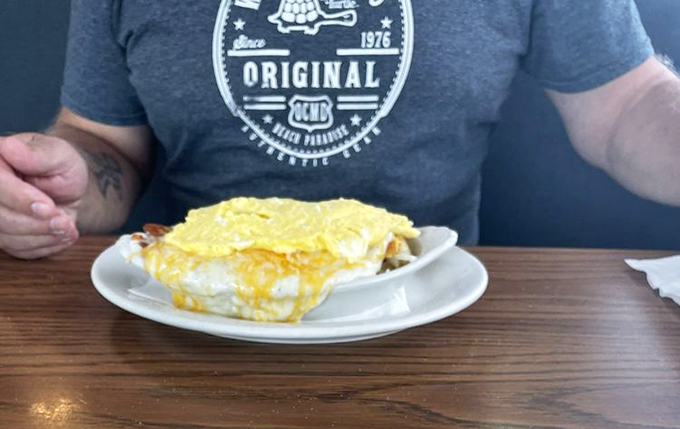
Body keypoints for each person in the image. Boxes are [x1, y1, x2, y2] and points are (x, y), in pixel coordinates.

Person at [1, 0, 679, 260]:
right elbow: (107, 146)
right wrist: (58, 183)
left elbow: (627, 106)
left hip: (429, 304)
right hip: (197, 310)